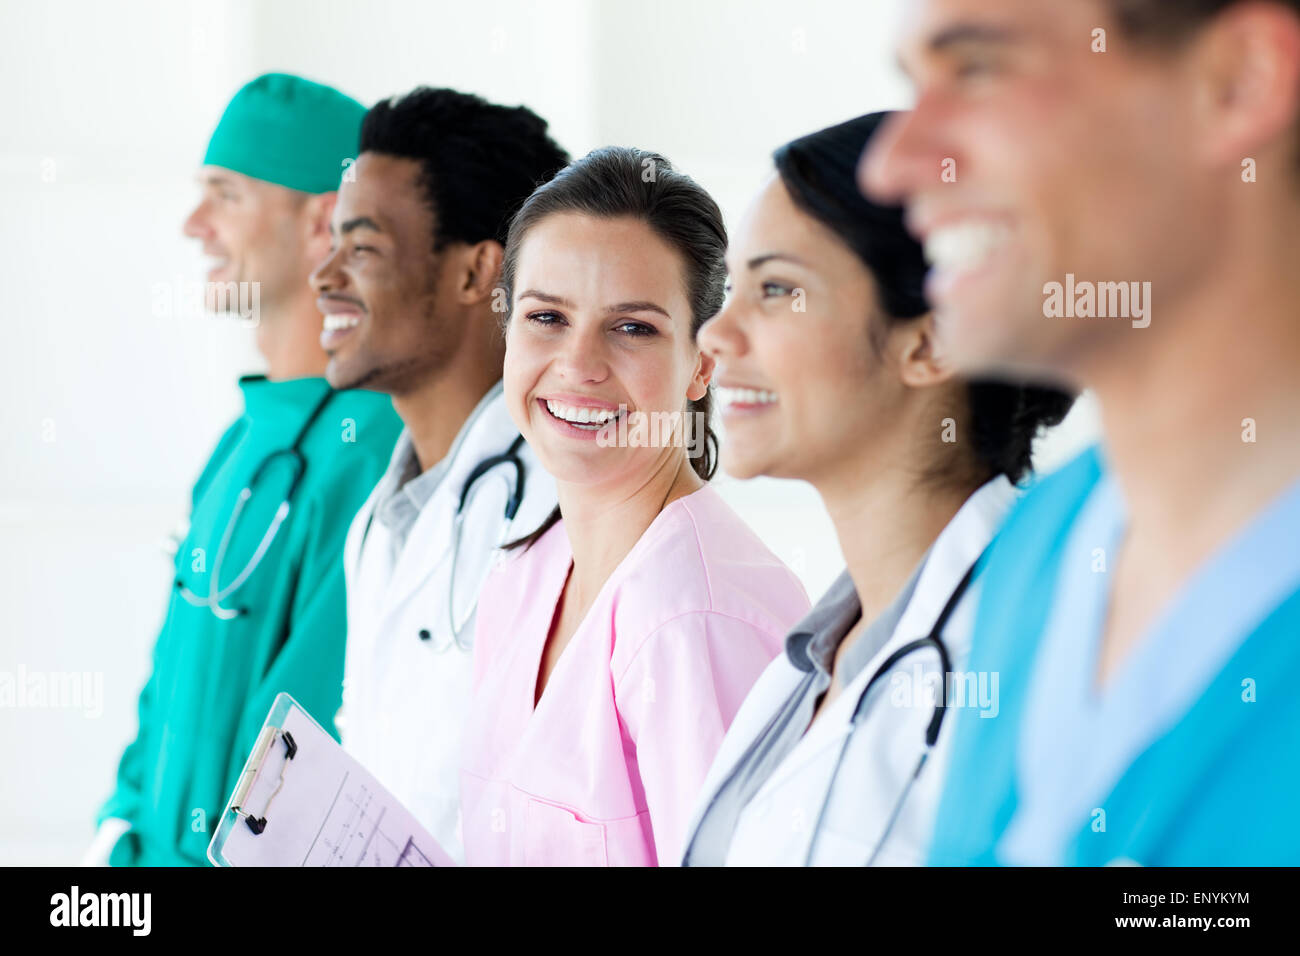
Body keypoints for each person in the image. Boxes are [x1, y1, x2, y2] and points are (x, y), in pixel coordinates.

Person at [861, 0, 1300, 864]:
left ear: (1238, 83)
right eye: (913, 85)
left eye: (977, 67)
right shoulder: (1043, 542)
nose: (890, 166)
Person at [679, 113, 1072, 866]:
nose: (714, 336)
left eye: (777, 289)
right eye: (733, 289)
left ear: (930, 343)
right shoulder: (812, 657)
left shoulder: (1037, 652)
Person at [457, 147, 811, 866]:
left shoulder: (697, 620)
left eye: (632, 328)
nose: (579, 364)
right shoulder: (525, 573)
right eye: (546, 317)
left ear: (703, 362)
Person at [88, 73, 402, 866]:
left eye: (224, 195)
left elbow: (298, 770)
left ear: (322, 222)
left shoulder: (369, 456)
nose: (194, 225)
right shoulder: (240, 444)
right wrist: (117, 837)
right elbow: (167, 684)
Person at [309, 88, 568, 862]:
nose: (323, 275)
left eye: (361, 247)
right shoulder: (377, 525)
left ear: (474, 273)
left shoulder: (560, 511)